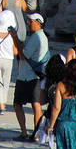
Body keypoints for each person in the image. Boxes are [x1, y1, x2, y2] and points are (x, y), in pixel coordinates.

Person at [13, 12, 49, 140]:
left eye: (31, 21)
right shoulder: (42, 37)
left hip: (27, 75)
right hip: (36, 76)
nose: (29, 23)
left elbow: (23, 55)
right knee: (36, 104)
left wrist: (14, 38)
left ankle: (24, 133)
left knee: (17, 104)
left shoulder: (36, 38)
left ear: (38, 23)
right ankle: (37, 135)